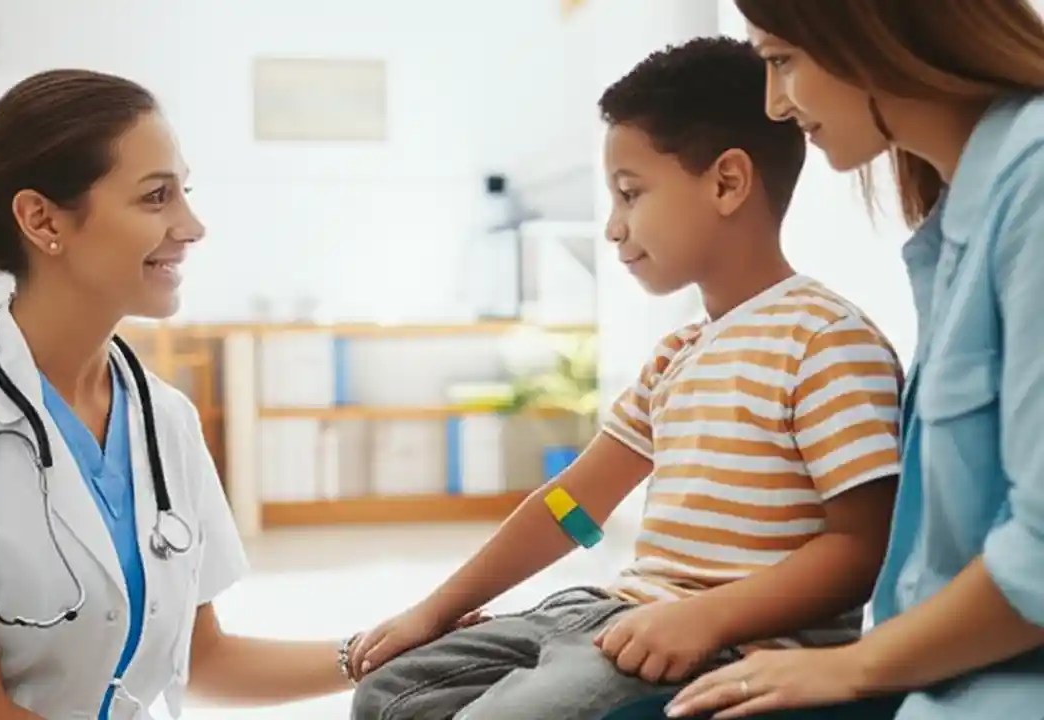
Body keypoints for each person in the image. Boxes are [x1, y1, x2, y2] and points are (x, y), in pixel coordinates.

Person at [347, 36, 904, 720]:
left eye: (630, 193)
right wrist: (434, 611)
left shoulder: (825, 341)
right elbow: (572, 507)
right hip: (604, 614)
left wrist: (708, 618)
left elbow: (861, 547)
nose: (613, 228)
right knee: (389, 696)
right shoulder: (678, 355)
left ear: (728, 182)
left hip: (725, 642)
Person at [0, 69, 357, 719]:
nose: (192, 226)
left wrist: (378, 653)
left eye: (184, 192)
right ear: (42, 219)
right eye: (157, 198)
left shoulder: (164, 421)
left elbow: (204, 660)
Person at [666, 2, 1044, 718]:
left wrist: (854, 666)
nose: (776, 105)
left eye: (781, 61)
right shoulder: (963, 221)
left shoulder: (1033, 190)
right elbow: (575, 502)